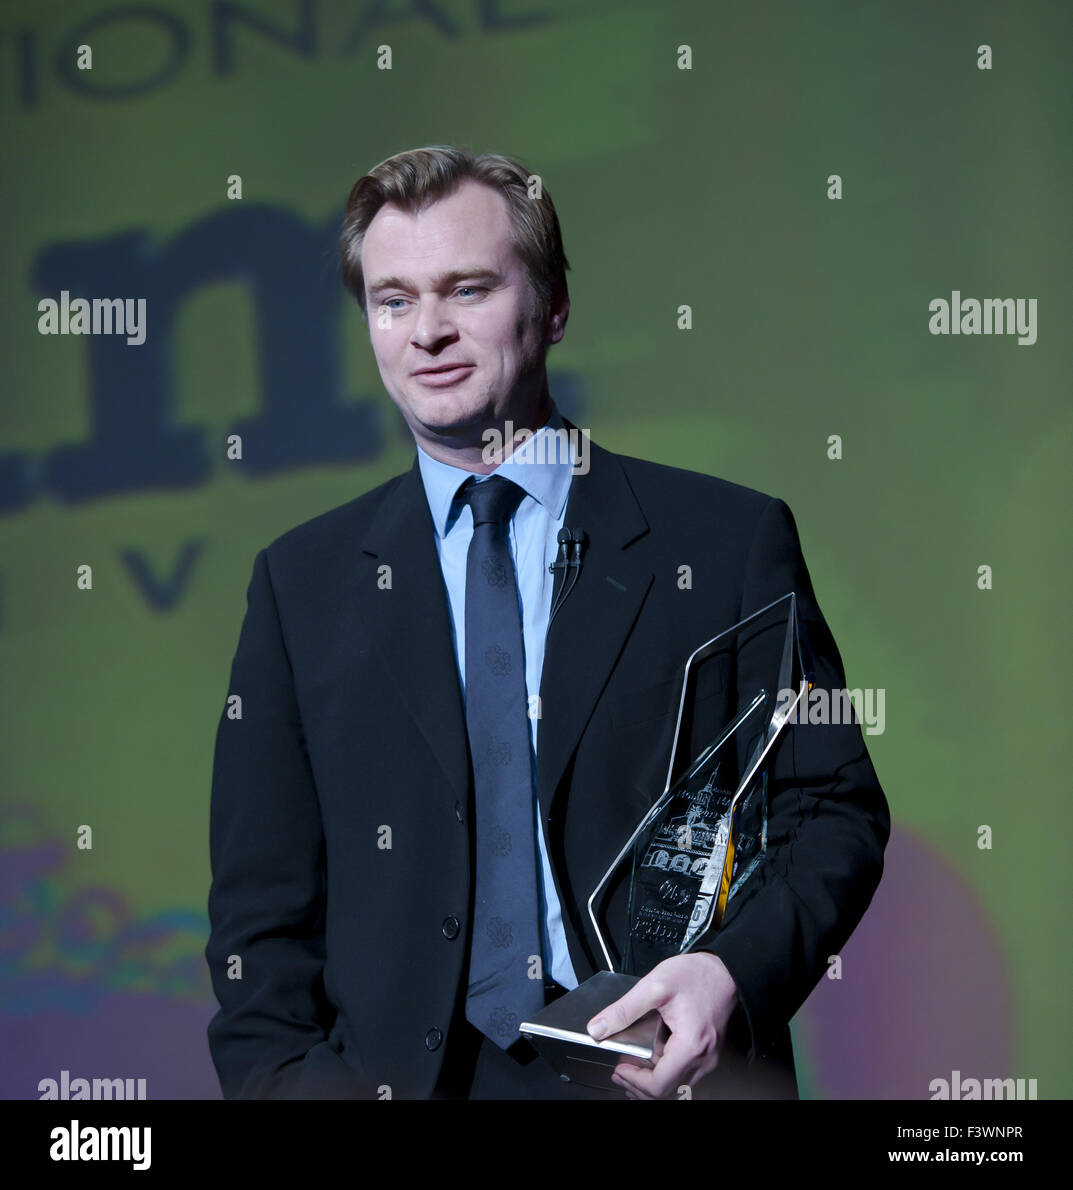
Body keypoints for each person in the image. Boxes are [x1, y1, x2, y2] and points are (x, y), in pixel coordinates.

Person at [205, 145, 889, 1101]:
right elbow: (260, 912)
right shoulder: (302, 584)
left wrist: (728, 976)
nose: (427, 332)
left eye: (467, 289)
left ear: (554, 306)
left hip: (660, 1073)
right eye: (392, 300)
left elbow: (830, 813)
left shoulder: (726, 541)